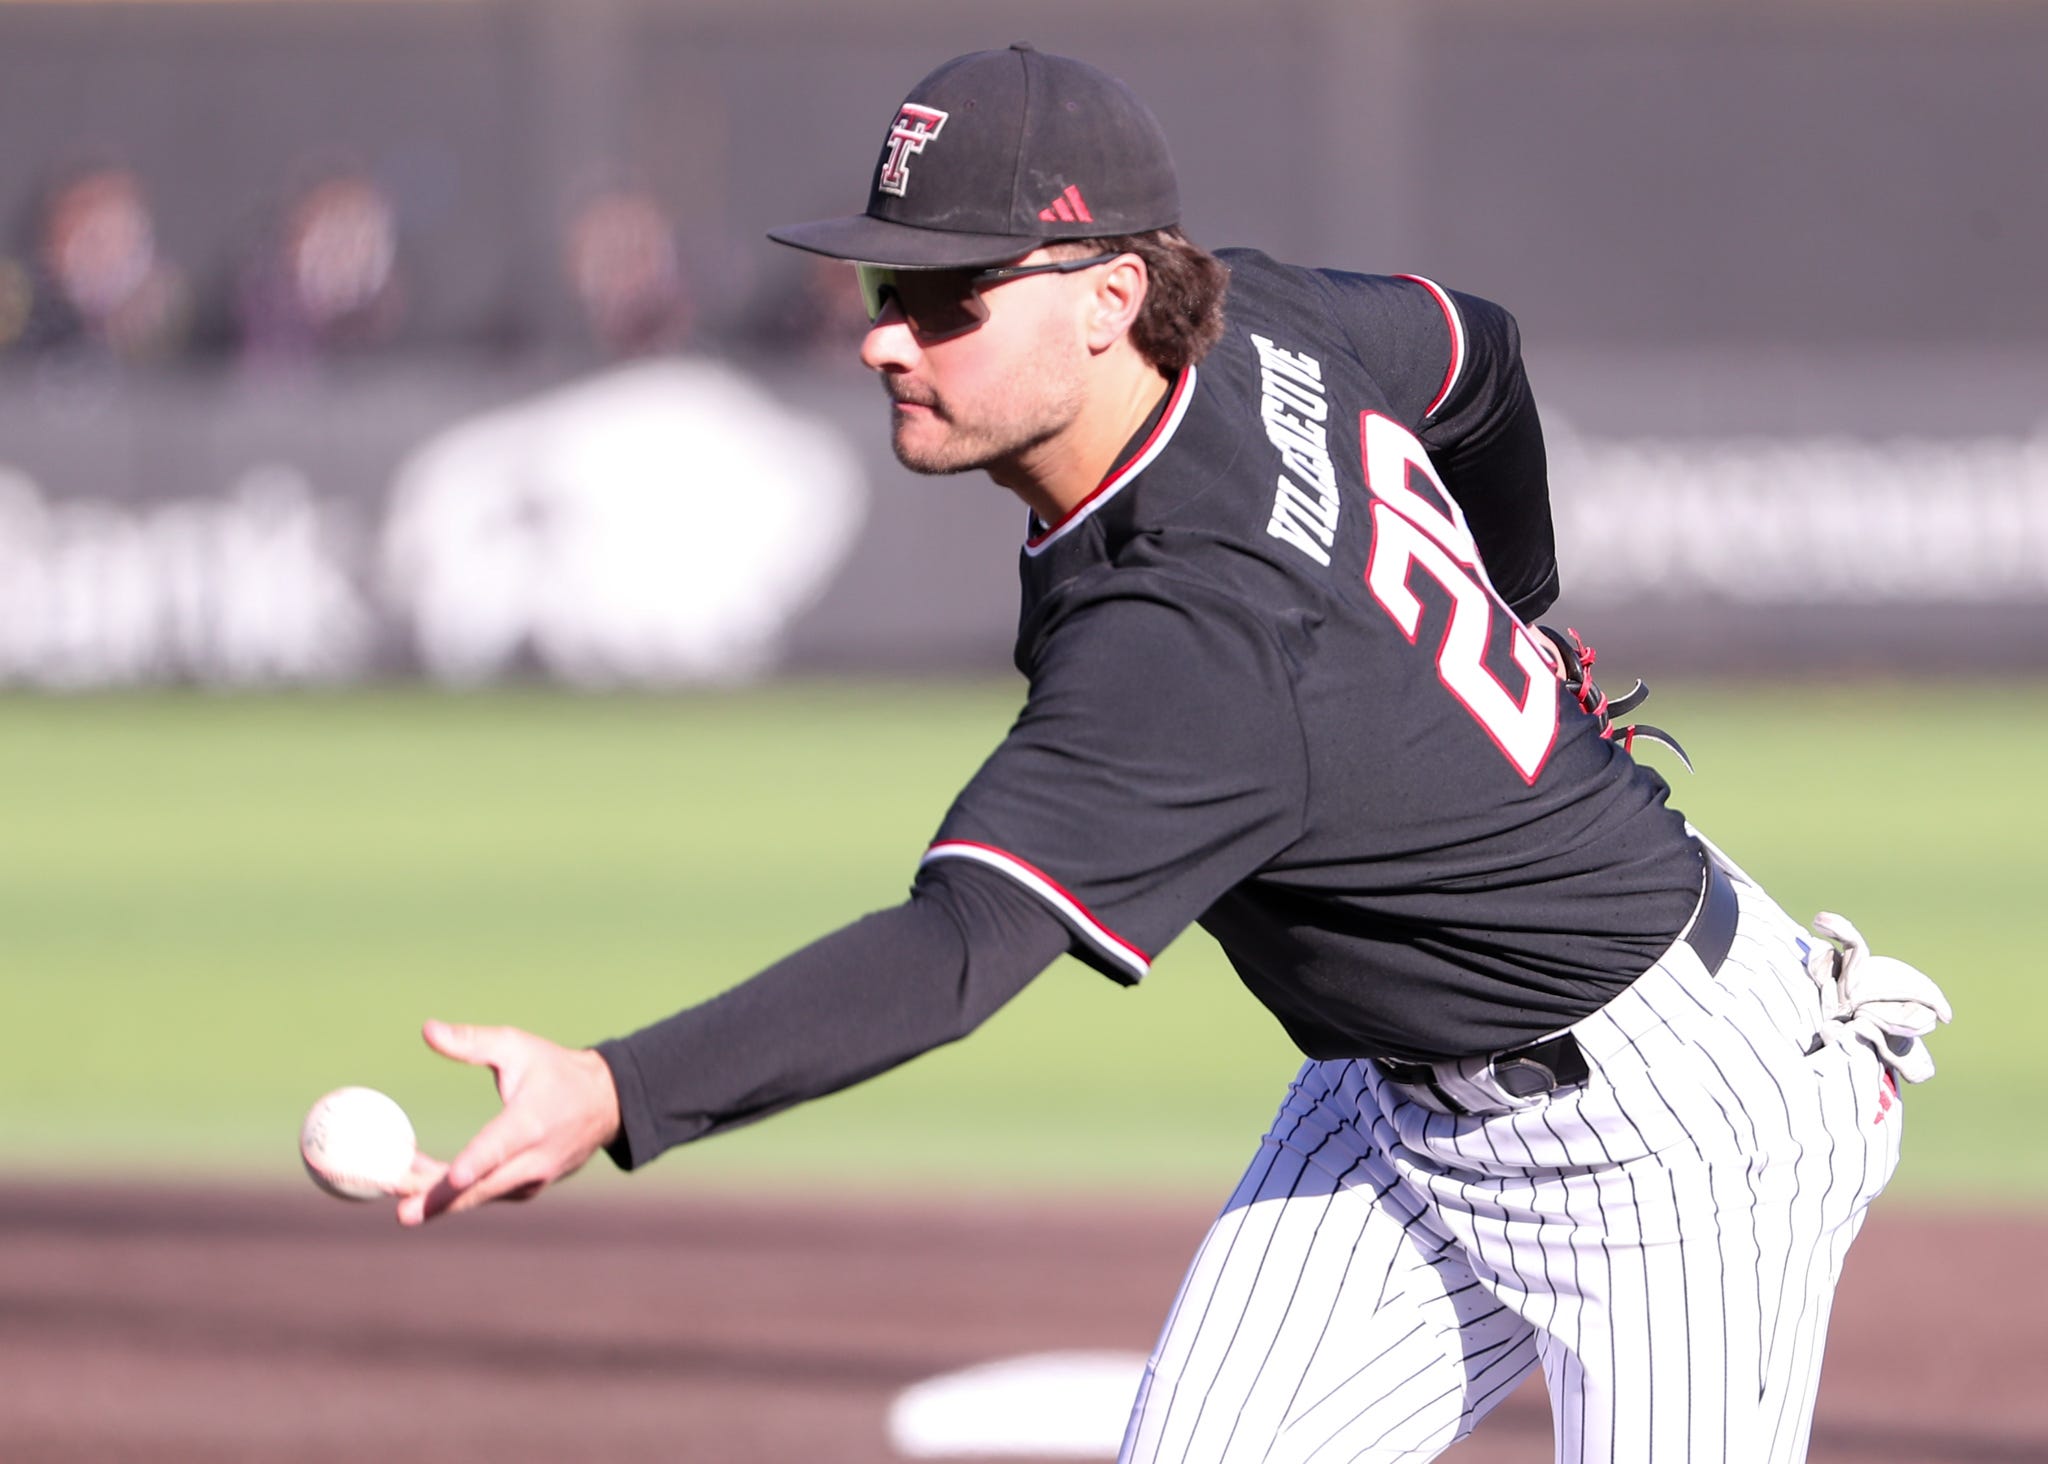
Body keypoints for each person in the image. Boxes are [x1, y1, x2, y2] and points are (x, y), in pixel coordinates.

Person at [393, 45, 1951, 1464]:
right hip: (1399, 1112)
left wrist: (617, 1088)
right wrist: (1521, 608)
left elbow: (958, 951)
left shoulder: (1186, 637)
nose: (890, 337)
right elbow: (1479, 358)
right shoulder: (1257, 319)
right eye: (887, 288)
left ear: (1110, 294)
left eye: (952, 299)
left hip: (1670, 1136)